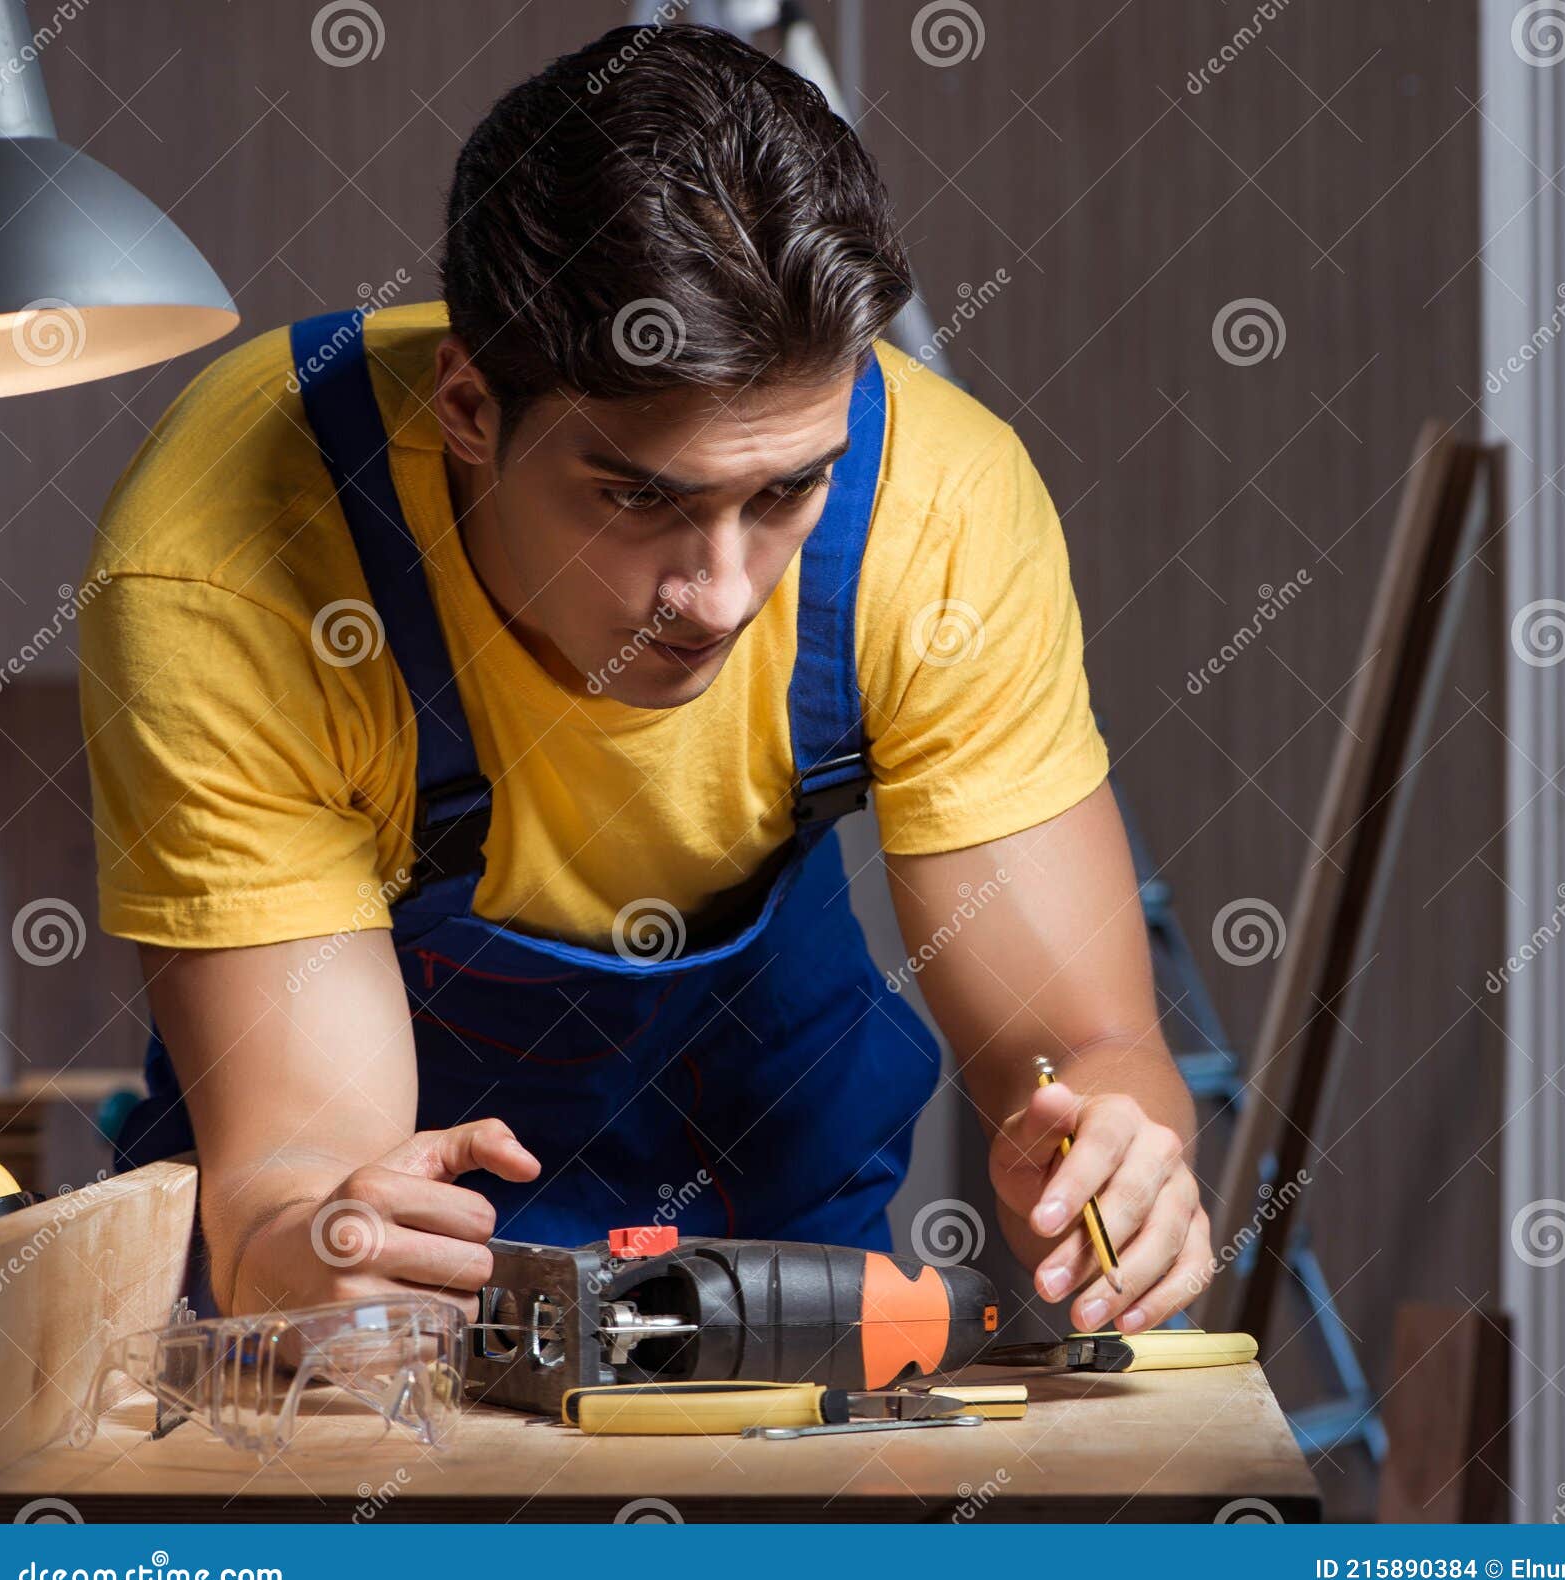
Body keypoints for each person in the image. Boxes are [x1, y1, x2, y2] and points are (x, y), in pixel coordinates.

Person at [80, 23, 1211, 1335]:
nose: (720, 594)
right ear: (467, 410)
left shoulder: (941, 508)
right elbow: (297, 1169)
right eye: (639, 497)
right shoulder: (232, 554)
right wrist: (313, 1255)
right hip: (414, 1301)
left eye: (788, 491)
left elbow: (1088, 1052)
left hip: (777, 1234)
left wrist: (1112, 1154)